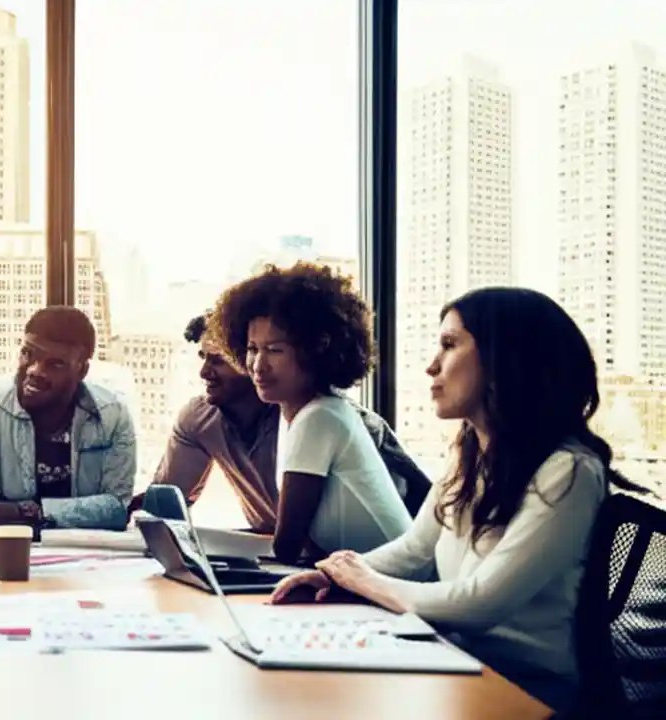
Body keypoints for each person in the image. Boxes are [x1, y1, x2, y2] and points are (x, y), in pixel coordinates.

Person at [271, 287, 647, 713]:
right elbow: (415, 550)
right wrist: (333, 575)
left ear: (506, 359)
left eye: (449, 345)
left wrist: (363, 581)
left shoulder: (570, 470)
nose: (432, 365)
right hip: (456, 660)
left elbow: (478, 603)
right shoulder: (469, 455)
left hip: (523, 690)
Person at [143, 313, 430, 530]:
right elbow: (165, 506)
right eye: (202, 357)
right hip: (287, 564)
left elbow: (421, 521)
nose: (204, 372)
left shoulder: (329, 419)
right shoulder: (199, 418)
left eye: (218, 360)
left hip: (371, 571)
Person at [209, 263, 411, 563]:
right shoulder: (306, 412)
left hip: (387, 589)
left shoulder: (318, 418)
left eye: (275, 350)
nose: (258, 365)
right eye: (253, 348)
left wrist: (208, 547)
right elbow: (310, 545)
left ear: (317, 348)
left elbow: (287, 546)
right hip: (362, 580)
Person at [0, 307, 136, 530]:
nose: (35, 370)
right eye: (28, 354)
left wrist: (37, 513)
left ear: (82, 370)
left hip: (86, 553)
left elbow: (118, 507)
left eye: (55, 364)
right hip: (5, 551)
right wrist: (78, 513)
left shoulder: (112, 414)